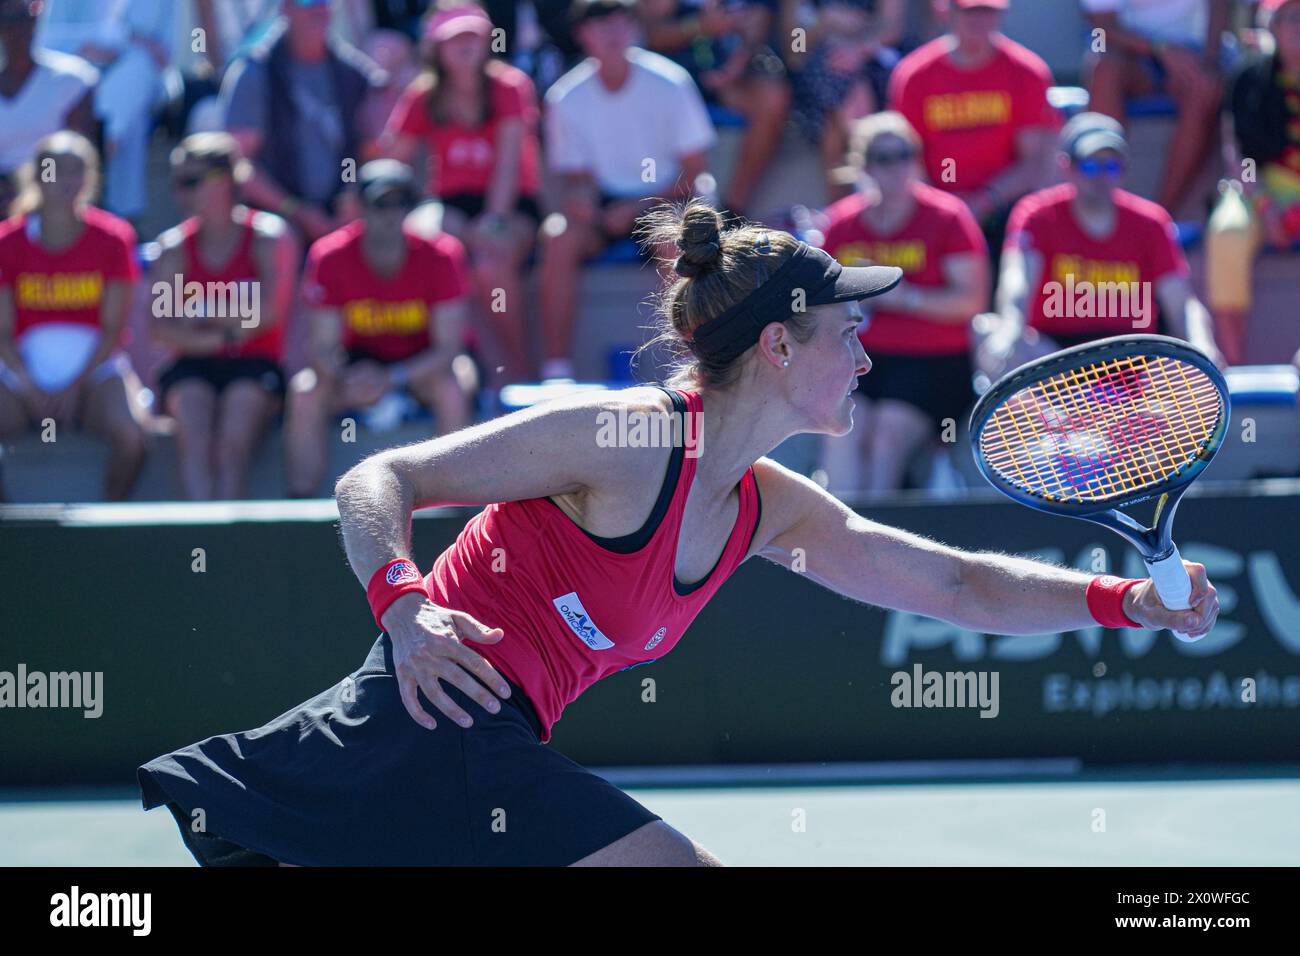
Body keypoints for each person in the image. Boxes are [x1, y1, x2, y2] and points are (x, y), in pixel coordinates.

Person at [137, 198, 1221, 867]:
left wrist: (1120, 602)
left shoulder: (771, 506)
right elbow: (382, 472)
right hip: (421, 729)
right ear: (780, 349)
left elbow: (959, 588)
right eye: (849, 333)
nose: (868, 357)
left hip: (478, 756)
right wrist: (403, 601)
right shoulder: (620, 437)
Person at [537, 0, 716, 381]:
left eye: (620, 22)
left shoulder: (670, 82)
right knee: (558, 237)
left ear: (633, 27)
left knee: (676, 245)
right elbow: (577, 177)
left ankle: (693, 365)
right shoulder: (565, 97)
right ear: (582, 35)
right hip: (606, 209)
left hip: (669, 199)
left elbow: (695, 169)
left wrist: (636, 208)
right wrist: (585, 202)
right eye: (601, 24)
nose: (612, 33)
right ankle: (557, 371)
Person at [979, 112, 1223, 382]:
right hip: (1053, 363)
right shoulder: (1036, 216)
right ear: (1066, 167)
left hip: (1132, 364)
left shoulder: (1151, 223)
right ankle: (1058, 421)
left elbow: (1182, 304)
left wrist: (1204, 347)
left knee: (1190, 366)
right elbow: (1017, 286)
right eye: (1091, 167)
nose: (1102, 177)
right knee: (986, 332)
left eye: (1112, 167)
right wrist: (1010, 332)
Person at [817, 111, 988, 496]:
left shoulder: (947, 217)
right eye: (882, 157)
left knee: (886, 436)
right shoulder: (841, 224)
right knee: (842, 432)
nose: (894, 167)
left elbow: (970, 300)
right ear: (863, 164)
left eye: (904, 155)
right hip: (860, 359)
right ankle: (829, 547)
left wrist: (902, 295)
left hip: (933, 363)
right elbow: (815, 304)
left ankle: (872, 546)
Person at [286, 160, 476, 498]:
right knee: (305, 391)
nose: (389, 215)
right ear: (359, 207)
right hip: (357, 365)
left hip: (419, 365)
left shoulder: (442, 255)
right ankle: (302, 503)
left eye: (399, 203)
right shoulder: (329, 256)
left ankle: (453, 505)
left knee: (455, 384)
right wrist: (350, 376)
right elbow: (322, 346)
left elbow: (448, 348)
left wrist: (392, 378)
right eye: (379, 204)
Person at [381, 4, 542, 385]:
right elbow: (391, 161)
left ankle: (515, 377)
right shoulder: (422, 95)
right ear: (437, 48)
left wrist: (494, 219)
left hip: (511, 204)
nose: (466, 46)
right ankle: (455, 374)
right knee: (427, 247)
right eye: (455, 39)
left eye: (473, 36)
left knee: (491, 264)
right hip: (451, 204)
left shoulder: (510, 86)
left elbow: (508, 162)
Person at [148, 133, 299, 501]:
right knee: (196, 441)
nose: (181, 194)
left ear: (225, 180)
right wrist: (227, 333)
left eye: (191, 182)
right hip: (194, 366)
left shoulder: (268, 236)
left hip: (254, 364)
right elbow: (162, 328)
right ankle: (201, 540)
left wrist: (196, 314)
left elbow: (268, 314)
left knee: (230, 447)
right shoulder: (173, 247)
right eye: (178, 183)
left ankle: (229, 541)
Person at [0, 131, 147, 502]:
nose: (66, 179)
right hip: (21, 373)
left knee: (131, 436)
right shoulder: (7, 242)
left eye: (76, 169)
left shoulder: (114, 238)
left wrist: (74, 387)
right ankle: (13, 535)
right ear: (36, 176)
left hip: (95, 370)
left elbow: (114, 330)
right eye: (56, 169)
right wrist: (29, 385)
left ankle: (106, 531)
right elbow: (2, 332)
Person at [886, 0, 1056, 276]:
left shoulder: (1027, 72)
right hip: (931, 203)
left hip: (1003, 204)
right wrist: (945, 208)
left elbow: (1035, 162)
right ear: (947, 11)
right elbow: (905, 156)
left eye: (988, 11)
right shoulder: (915, 75)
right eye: (970, 11)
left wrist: (984, 201)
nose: (980, 20)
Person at [220, 0, 388, 247]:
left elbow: (367, 150)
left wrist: (350, 195)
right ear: (284, 8)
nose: (319, 7)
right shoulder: (255, 73)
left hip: (343, 221)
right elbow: (239, 165)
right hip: (277, 223)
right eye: (306, 0)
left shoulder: (354, 74)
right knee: (279, 239)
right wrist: (296, 211)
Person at [1204, 0, 1300, 365]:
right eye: (1289, 18)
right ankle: (1235, 365)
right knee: (1227, 231)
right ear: (1273, 26)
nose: (1297, 27)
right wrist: (1266, 206)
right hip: (1258, 188)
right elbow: (1238, 157)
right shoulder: (1248, 76)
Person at [638, 0, 792, 219]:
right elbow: (650, 36)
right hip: (667, 82)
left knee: (772, 99)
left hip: (725, 81)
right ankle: (650, 207)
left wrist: (733, 67)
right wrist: (699, 26)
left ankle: (732, 212)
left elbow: (759, 21)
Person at [1081, 0, 1232, 214]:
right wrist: (1161, 51)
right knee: (1104, 70)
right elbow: (1101, 27)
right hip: (1130, 52)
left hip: (1196, 52)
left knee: (1205, 87)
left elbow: (1220, 7)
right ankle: (1099, 204)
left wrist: (1205, 63)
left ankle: (1161, 217)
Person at [34, 0, 174, 223]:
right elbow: (44, 41)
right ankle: (118, 211)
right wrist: (116, 41)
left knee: (136, 71)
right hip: (74, 73)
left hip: (138, 80)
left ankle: (98, 155)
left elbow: (162, 55)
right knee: (122, 111)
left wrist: (116, 43)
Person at [780, 0, 907, 201]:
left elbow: (892, 30)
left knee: (846, 101)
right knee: (841, 90)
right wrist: (823, 21)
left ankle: (844, 207)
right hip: (819, 73)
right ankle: (870, 193)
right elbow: (795, 48)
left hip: (873, 61)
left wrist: (858, 50)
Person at [0, 0, 97, 213]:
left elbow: (75, 155)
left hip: (51, 191)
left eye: (26, 18)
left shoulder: (71, 80)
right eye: (7, 21)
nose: (17, 30)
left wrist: (34, 190)